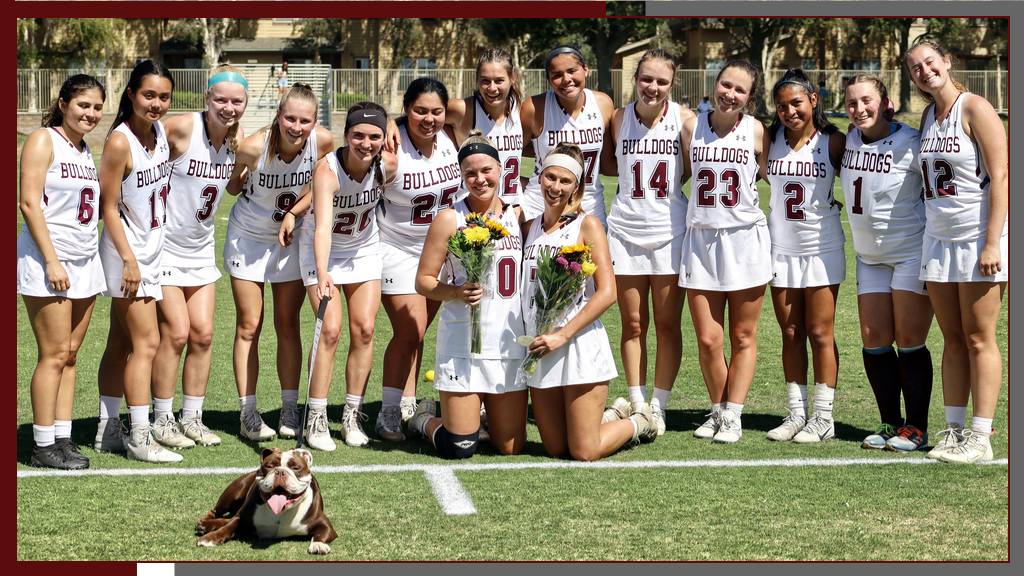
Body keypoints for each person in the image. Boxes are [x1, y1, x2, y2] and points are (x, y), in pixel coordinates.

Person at [906, 41, 1007, 463]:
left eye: (930, 62)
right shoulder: (929, 115)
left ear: (947, 62)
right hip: (939, 239)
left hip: (976, 238)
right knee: (951, 339)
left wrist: (991, 241)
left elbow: (1002, 176)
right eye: (915, 68)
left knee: (979, 338)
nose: (924, 71)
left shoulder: (975, 107)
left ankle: (980, 437)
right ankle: (952, 430)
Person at [522, 144, 657, 461]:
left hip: (578, 344)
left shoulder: (588, 226)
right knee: (556, 449)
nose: (555, 187)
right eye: (550, 177)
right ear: (540, 177)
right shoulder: (528, 227)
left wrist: (563, 334)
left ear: (577, 187)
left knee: (584, 451)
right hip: (541, 348)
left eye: (565, 181)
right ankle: (611, 414)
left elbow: (607, 292)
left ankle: (638, 421)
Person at [280, 102, 396, 450]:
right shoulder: (327, 169)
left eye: (375, 135)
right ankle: (316, 418)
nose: (366, 143)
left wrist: (395, 125)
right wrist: (322, 271)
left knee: (365, 329)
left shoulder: (388, 164)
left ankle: (351, 415)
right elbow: (323, 229)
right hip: (324, 250)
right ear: (346, 136)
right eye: (358, 135)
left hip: (363, 248)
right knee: (329, 330)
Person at [407, 130, 529, 458]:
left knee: (511, 447)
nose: (480, 179)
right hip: (463, 343)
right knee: (459, 448)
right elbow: (423, 281)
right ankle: (423, 420)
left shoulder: (519, 217)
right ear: (462, 175)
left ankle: (480, 416)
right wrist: (456, 292)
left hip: (507, 343)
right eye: (470, 173)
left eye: (486, 170)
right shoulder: (450, 218)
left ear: (501, 169)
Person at [224, 83, 334, 442]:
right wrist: (239, 165)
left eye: (304, 120)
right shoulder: (254, 146)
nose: (296, 127)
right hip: (249, 237)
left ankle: (289, 408)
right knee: (249, 325)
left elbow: (317, 186)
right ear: (278, 115)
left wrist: (293, 212)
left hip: (289, 238)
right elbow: (232, 190)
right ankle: (248, 411)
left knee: (288, 323)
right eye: (290, 118)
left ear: (315, 121)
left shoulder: (323, 142)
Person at [148, 65, 248, 450]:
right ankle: (161, 418)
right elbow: (135, 152)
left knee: (203, 335)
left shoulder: (236, 139)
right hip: (164, 248)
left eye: (236, 101)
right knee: (174, 334)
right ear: (206, 98)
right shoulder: (181, 128)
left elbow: (236, 185)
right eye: (220, 99)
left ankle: (192, 418)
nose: (228, 107)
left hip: (200, 248)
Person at [599, 49, 695, 436]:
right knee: (633, 324)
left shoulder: (685, 121)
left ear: (672, 85)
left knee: (668, 325)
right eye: (646, 79)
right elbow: (611, 166)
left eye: (661, 81)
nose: (652, 87)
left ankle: (660, 404)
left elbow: (690, 169)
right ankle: (637, 401)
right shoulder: (619, 118)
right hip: (624, 230)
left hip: (670, 231)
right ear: (635, 79)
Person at [678, 60, 771, 444]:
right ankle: (718, 410)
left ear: (750, 98)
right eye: (725, 85)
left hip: (744, 239)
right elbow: (682, 173)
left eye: (739, 90)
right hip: (700, 241)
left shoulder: (756, 130)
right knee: (708, 339)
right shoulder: (690, 126)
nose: (729, 95)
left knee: (742, 336)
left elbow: (774, 175)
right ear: (714, 84)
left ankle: (733, 414)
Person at [841, 73, 934, 452]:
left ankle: (917, 427)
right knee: (874, 338)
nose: (859, 109)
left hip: (911, 252)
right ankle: (890, 422)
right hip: (869, 257)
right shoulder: (846, 140)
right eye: (851, 103)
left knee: (910, 339)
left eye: (867, 101)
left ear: (885, 103)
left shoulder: (912, 142)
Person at [94, 60, 181, 463]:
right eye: (149, 95)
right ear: (131, 94)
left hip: (150, 249)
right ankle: (140, 434)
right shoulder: (119, 141)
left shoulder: (159, 132)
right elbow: (107, 207)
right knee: (148, 343)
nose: (157, 104)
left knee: (121, 342)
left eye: (164, 96)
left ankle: (107, 429)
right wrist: (129, 260)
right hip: (127, 254)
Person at [18, 75, 106, 469]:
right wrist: (52, 260)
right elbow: (29, 203)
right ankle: (41, 445)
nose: (90, 113)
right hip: (48, 261)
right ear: (63, 103)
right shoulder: (44, 139)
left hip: (85, 261)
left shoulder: (85, 149)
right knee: (53, 354)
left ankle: (62, 437)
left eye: (97, 107)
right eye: (83, 105)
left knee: (70, 355)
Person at [762, 69, 847, 444]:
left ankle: (824, 417)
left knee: (819, 331)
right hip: (780, 248)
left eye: (796, 102)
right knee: (791, 332)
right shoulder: (767, 138)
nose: (789, 111)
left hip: (822, 247)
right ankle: (797, 413)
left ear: (814, 100)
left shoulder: (834, 141)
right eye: (781, 105)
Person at [377, 78, 464, 441]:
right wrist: (384, 121)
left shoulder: (450, 136)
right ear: (406, 110)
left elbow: (472, 104)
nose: (429, 119)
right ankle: (386, 414)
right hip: (395, 247)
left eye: (436, 111)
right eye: (419, 111)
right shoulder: (390, 149)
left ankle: (408, 402)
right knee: (409, 330)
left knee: (418, 333)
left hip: (438, 252)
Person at [520, 45, 615, 227]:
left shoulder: (603, 103)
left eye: (572, 71)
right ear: (548, 80)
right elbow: (512, 153)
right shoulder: (534, 107)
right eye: (557, 75)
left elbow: (607, 163)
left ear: (585, 70)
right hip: (541, 205)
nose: (566, 79)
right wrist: (525, 182)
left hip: (589, 205)